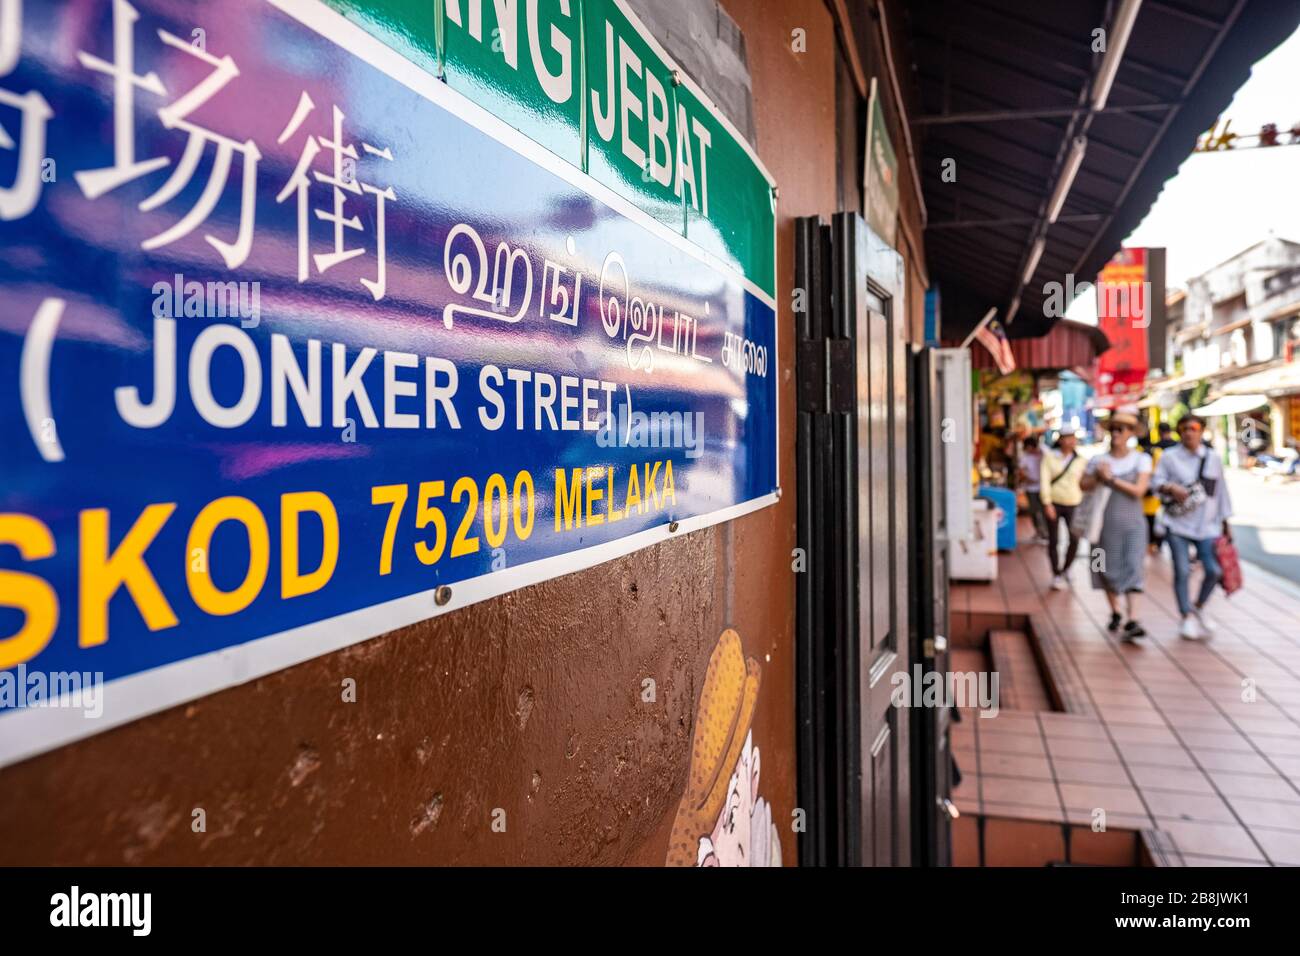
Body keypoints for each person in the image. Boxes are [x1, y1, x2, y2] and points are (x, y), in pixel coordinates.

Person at [1152, 414, 1234, 640]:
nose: (1189, 432)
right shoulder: (1169, 457)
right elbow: (1155, 483)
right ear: (1179, 432)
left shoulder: (1213, 458)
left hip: (1207, 525)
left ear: (1202, 430)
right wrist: (1170, 488)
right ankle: (1186, 615)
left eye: (1194, 428)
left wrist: (1226, 522)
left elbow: (1221, 490)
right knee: (1181, 570)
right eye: (1184, 428)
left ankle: (1199, 604)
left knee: (1213, 570)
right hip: (1177, 524)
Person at [1081, 408, 1153, 641]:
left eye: (1121, 429)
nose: (1116, 433)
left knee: (1134, 566)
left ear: (1131, 432)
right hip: (1101, 526)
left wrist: (1111, 479)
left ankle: (1133, 619)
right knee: (1103, 567)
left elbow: (1139, 491)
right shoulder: (1098, 460)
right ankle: (1115, 611)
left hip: (1133, 524)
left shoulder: (1141, 459)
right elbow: (1083, 484)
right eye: (1113, 428)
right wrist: (1097, 476)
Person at [1040, 430, 1086, 590]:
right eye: (1068, 438)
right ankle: (1056, 573)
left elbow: (1085, 483)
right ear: (1060, 440)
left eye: (1073, 438)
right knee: (1054, 539)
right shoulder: (1050, 457)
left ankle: (1067, 567)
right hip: (1054, 502)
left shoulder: (1081, 460)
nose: (1071, 441)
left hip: (1074, 503)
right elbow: (1044, 480)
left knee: (1074, 538)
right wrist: (1047, 503)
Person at [1143, 422, 1178, 552]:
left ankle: (1156, 543)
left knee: (1157, 516)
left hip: (1160, 487)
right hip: (1174, 487)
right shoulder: (1177, 446)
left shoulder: (1155, 448)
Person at [1018, 436, 1048, 543]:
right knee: (1034, 511)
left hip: (1044, 488)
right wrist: (1028, 479)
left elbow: (1049, 457)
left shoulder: (1043, 452)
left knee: (1044, 511)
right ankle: (1039, 531)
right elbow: (1021, 470)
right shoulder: (1025, 456)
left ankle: (1046, 532)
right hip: (1030, 488)